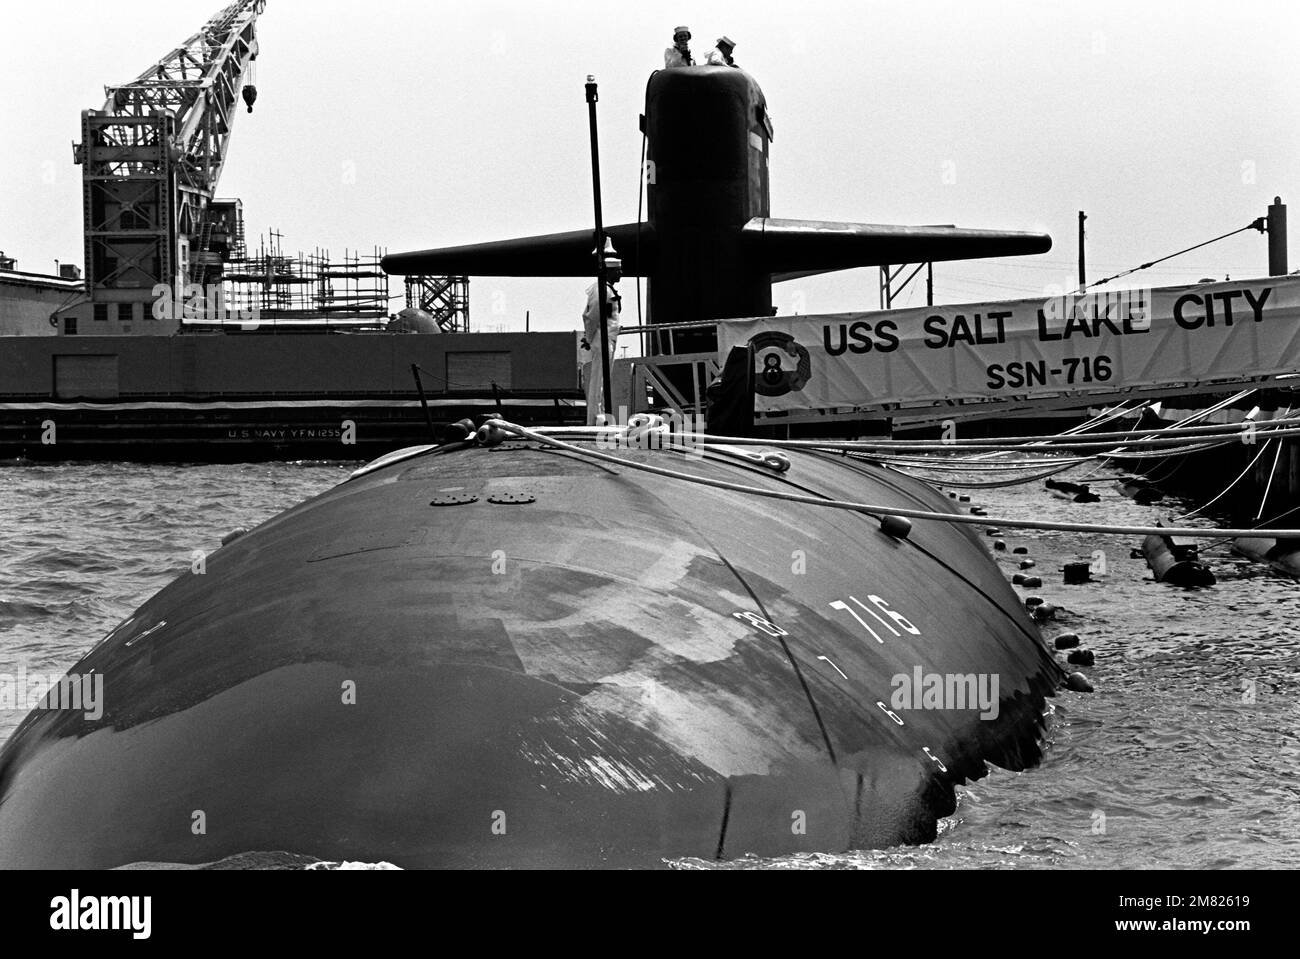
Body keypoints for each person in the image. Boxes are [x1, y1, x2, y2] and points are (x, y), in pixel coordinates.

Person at [579, 258, 623, 426]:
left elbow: (606, 315)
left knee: (603, 381)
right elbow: (591, 316)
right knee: (598, 381)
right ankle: (594, 420)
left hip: (608, 337)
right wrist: (589, 338)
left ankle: (600, 416)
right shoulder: (602, 290)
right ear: (609, 271)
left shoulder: (606, 290)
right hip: (602, 339)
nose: (621, 272)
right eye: (618, 270)